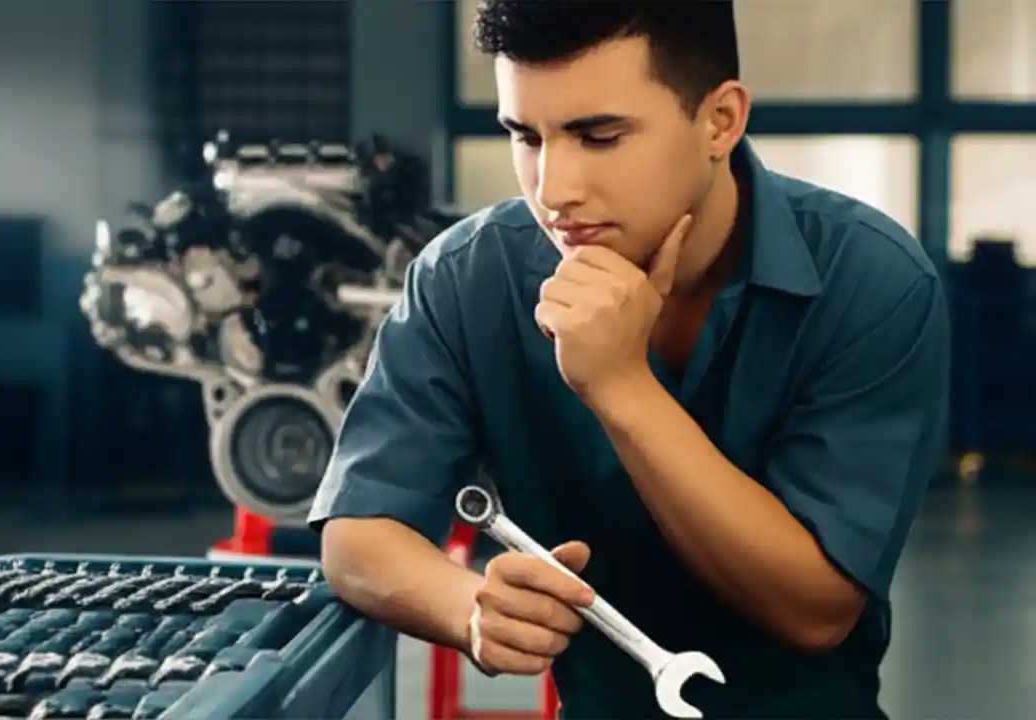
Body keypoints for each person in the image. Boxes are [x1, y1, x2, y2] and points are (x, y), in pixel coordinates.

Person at [308, 2, 950, 717]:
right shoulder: (467, 280)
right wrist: (471, 608)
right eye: (526, 137)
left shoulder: (871, 279)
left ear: (720, 122)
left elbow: (814, 611)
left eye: (600, 136)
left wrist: (621, 386)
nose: (553, 192)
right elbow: (361, 532)